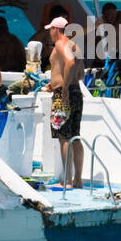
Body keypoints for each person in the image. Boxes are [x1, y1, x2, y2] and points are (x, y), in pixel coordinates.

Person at [48, 16, 85, 187]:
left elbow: (70, 62)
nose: (49, 32)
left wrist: (63, 88)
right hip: (76, 91)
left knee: (63, 137)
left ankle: (67, 181)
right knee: (75, 137)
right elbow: (81, 74)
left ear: (56, 29)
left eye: (50, 29)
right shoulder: (75, 45)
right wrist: (57, 82)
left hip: (65, 94)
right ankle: (78, 180)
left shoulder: (60, 43)